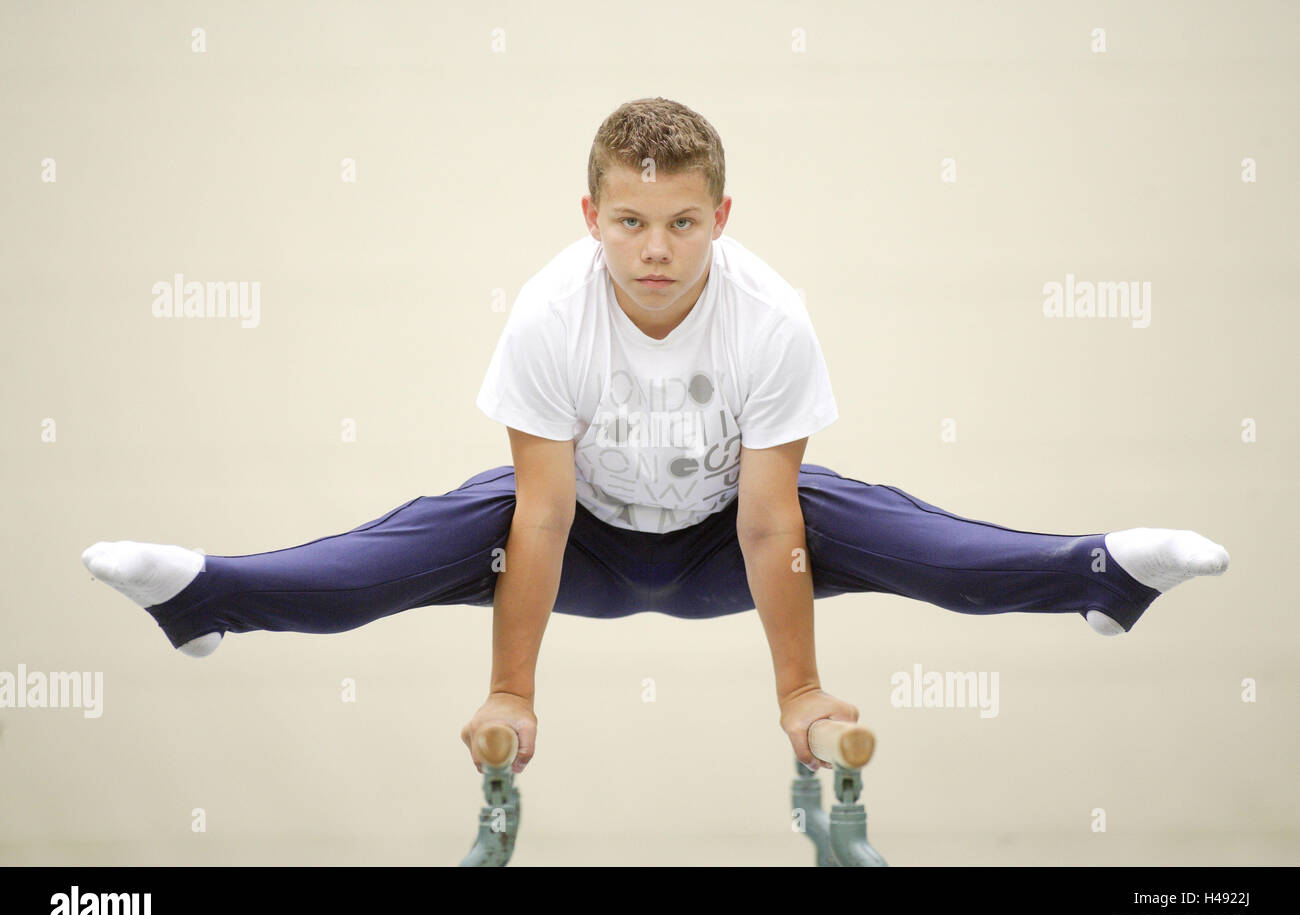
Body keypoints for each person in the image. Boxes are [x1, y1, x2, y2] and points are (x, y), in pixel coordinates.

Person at [81, 97, 1229, 777]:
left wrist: (799, 692)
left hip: (731, 533)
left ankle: (1102, 573)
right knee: (385, 559)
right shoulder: (549, 312)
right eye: (628, 222)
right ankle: (205, 597)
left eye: (683, 222)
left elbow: (774, 517)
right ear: (590, 219)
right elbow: (537, 509)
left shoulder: (767, 317)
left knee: (916, 539)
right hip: (575, 534)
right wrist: (513, 692)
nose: (655, 250)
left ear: (720, 218)